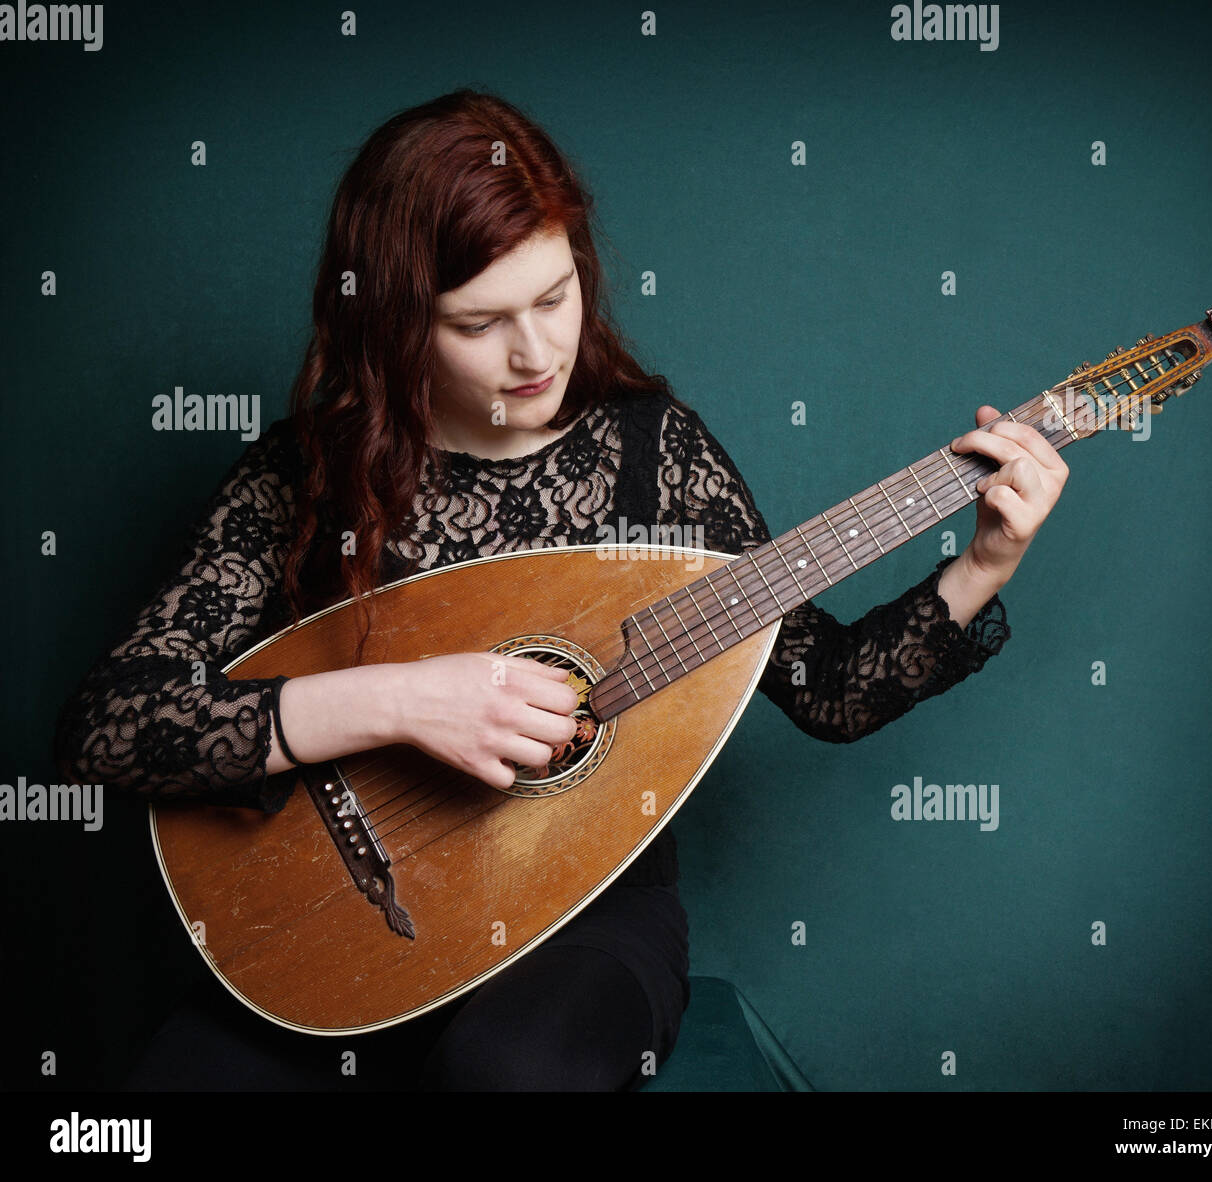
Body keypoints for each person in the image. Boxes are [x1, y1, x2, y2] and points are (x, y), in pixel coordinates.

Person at [52, 89, 1066, 1092]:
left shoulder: (651, 455)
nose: (535, 352)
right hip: (332, 923)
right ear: (396, 323)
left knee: (514, 1071)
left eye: (552, 297)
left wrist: (982, 562)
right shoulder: (307, 474)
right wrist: (405, 702)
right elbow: (107, 726)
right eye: (479, 322)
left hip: (583, 927)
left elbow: (828, 690)